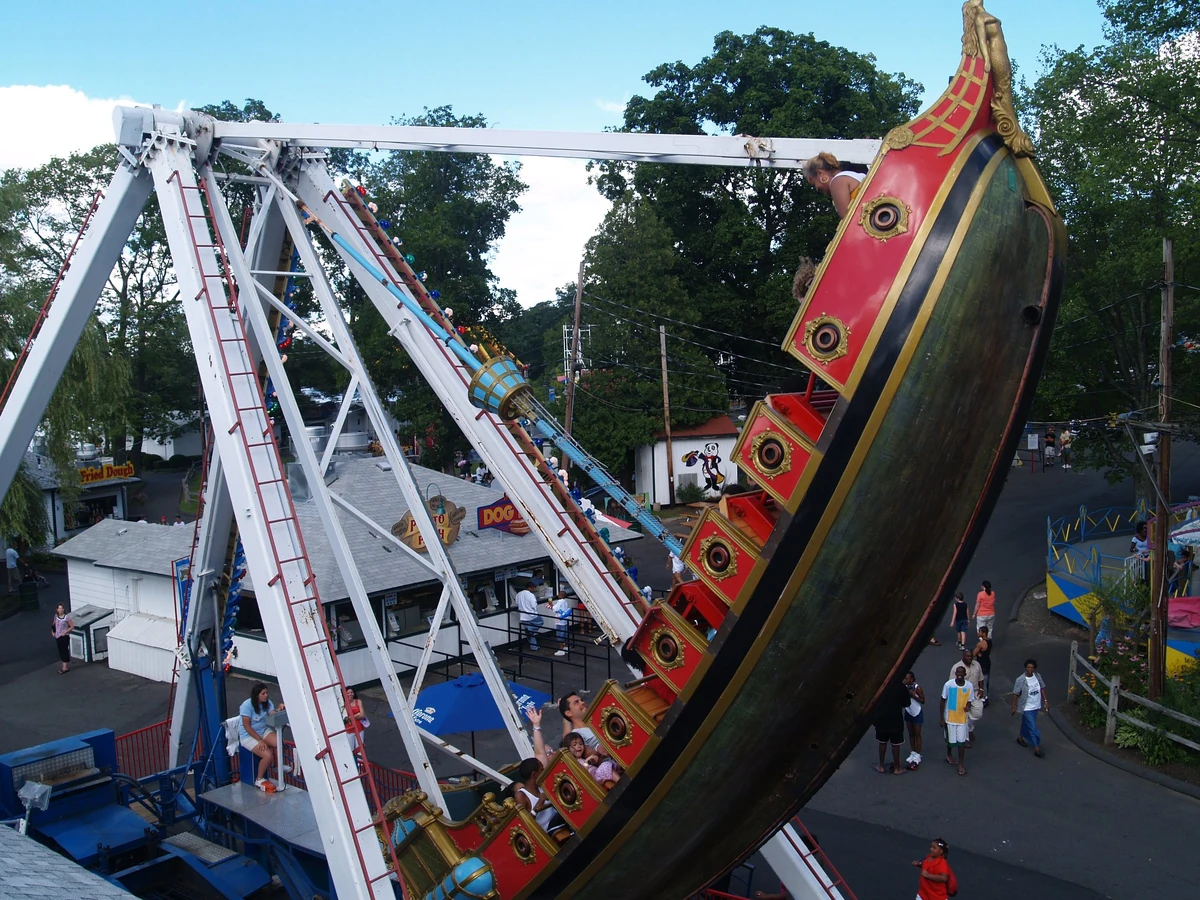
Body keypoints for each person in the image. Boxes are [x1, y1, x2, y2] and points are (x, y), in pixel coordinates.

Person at [239, 682, 287, 789]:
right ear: (257, 695)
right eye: (263, 693)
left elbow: (272, 714)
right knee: (267, 755)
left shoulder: (267, 703)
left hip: (262, 730)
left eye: (267, 693)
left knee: (279, 743)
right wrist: (260, 740)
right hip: (248, 735)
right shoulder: (247, 705)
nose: (266, 695)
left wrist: (279, 709)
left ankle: (275, 764)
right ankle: (259, 779)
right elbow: (247, 727)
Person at [513, 757, 569, 841]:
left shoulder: (543, 785)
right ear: (534, 774)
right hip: (549, 831)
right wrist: (539, 803)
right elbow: (524, 824)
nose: (544, 771)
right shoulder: (521, 795)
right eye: (541, 769)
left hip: (560, 821)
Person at [802, 152, 870, 219]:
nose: (816, 188)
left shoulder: (837, 182)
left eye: (814, 184)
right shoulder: (852, 176)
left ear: (820, 173)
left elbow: (848, 221)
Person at [941, 665, 975, 776]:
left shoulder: (969, 686)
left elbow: (969, 701)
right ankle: (949, 754)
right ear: (955, 673)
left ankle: (961, 764)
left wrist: (968, 707)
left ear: (965, 674)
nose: (960, 674)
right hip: (950, 718)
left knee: (961, 742)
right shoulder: (948, 685)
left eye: (962, 672)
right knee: (950, 741)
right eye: (958, 672)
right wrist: (942, 718)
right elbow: (942, 700)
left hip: (962, 719)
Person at [1011, 658, 1049, 758]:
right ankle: (1036, 748)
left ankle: (1020, 737)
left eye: (1032, 668)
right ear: (1025, 667)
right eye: (1028, 667)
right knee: (1033, 728)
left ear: (1035, 669)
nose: (1030, 669)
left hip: (1036, 706)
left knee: (1025, 723)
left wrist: (1045, 701)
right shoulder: (1021, 680)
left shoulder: (1037, 676)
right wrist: (1014, 707)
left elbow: (1042, 688)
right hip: (1027, 707)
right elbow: (1015, 694)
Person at [874, 676, 910, 775]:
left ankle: (881, 766)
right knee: (895, 744)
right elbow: (907, 703)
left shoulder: (881, 685)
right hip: (895, 718)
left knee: (882, 742)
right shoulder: (901, 687)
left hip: (881, 718)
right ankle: (897, 768)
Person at [947, 648, 984, 743]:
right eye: (967, 656)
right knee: (964, 716)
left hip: (975, 693)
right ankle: (965, 739)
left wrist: (981, 689)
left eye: (971, 656)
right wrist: (953, 701)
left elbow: (981, 678)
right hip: (961, 694)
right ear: (963, 656)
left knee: (978, 713)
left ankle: (969, 729)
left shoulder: (977, 665)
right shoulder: (956, 667)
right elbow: (951, 684)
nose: (970, 658)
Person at [903, 672, 926, 769]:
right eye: (905, 678)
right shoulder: (904, 687)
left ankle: (918, 755)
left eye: (907, 679)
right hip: (908, 711)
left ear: (912, 679)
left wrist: (914, 696)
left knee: (917, 734)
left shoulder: (918, 688)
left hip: (917, 712)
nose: (905, 680)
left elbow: (923, 701)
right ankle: (913, 752)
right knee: (911, 733)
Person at [515, 582, 543, 651]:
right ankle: (531, 630)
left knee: (530, 634)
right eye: (533, 588)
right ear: (530, 588)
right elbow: (534, 605)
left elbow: (516, 603)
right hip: (531, 615)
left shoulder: (519, 594)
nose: (533, 589)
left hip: (523, 616)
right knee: (540, 621)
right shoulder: (531, 595)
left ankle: (534, 647)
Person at [973, 625, 993, 704]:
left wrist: (977, 652)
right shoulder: (989, 641)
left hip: (981, 663)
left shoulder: (981, 644)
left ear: (984, 633)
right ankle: (985, 695)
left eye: (980, 632)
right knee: (986, 679)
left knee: (982, 679)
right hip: (987, 661)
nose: (978, 633)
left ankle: (983, 697)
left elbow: (974, 653)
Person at [51, 604, 73, 674]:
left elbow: (72, 626)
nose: (61, 610)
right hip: (58, 636)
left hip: (64, 636)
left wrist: (65, 632)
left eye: (62, 608)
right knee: (60, 650)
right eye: (59, 608)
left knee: (64, 650)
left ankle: (65, 667)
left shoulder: (66, 618)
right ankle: (64, 665)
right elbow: (53, 625)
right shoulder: (56, 616)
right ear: (57, 609)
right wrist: (53, 632)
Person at [552, 591, 573, 657]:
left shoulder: (560, 602)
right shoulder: (565, 602)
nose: (557, 595)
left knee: (560, 635)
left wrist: (550, 604)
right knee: (564, 634)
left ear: (561, 595)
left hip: (560, 621)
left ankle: (561, 649)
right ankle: (564, 646)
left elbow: (555, 608)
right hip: (565, 620)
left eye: (559, 594)